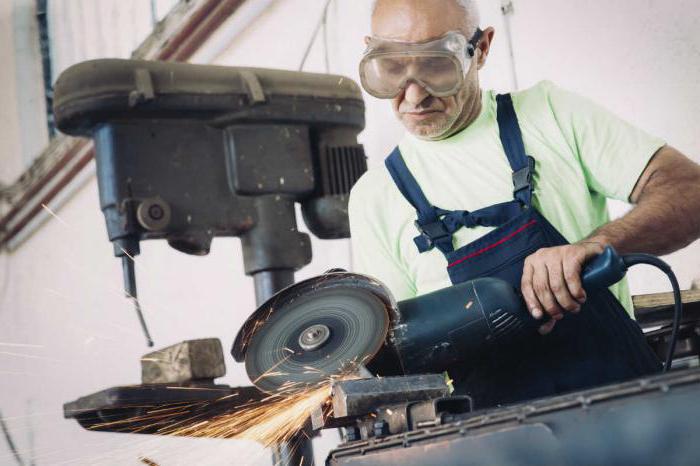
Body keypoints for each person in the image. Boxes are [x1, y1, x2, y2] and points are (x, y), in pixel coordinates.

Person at [349, 0, 700, 408]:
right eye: (392, 68)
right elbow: (399, 363)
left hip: (626, 415)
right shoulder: (375, 197)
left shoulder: (551, 115)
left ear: (480, 50)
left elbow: (689, 190)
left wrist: (595, 246)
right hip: (496, 441)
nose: (413, 95)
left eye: (436, 66)